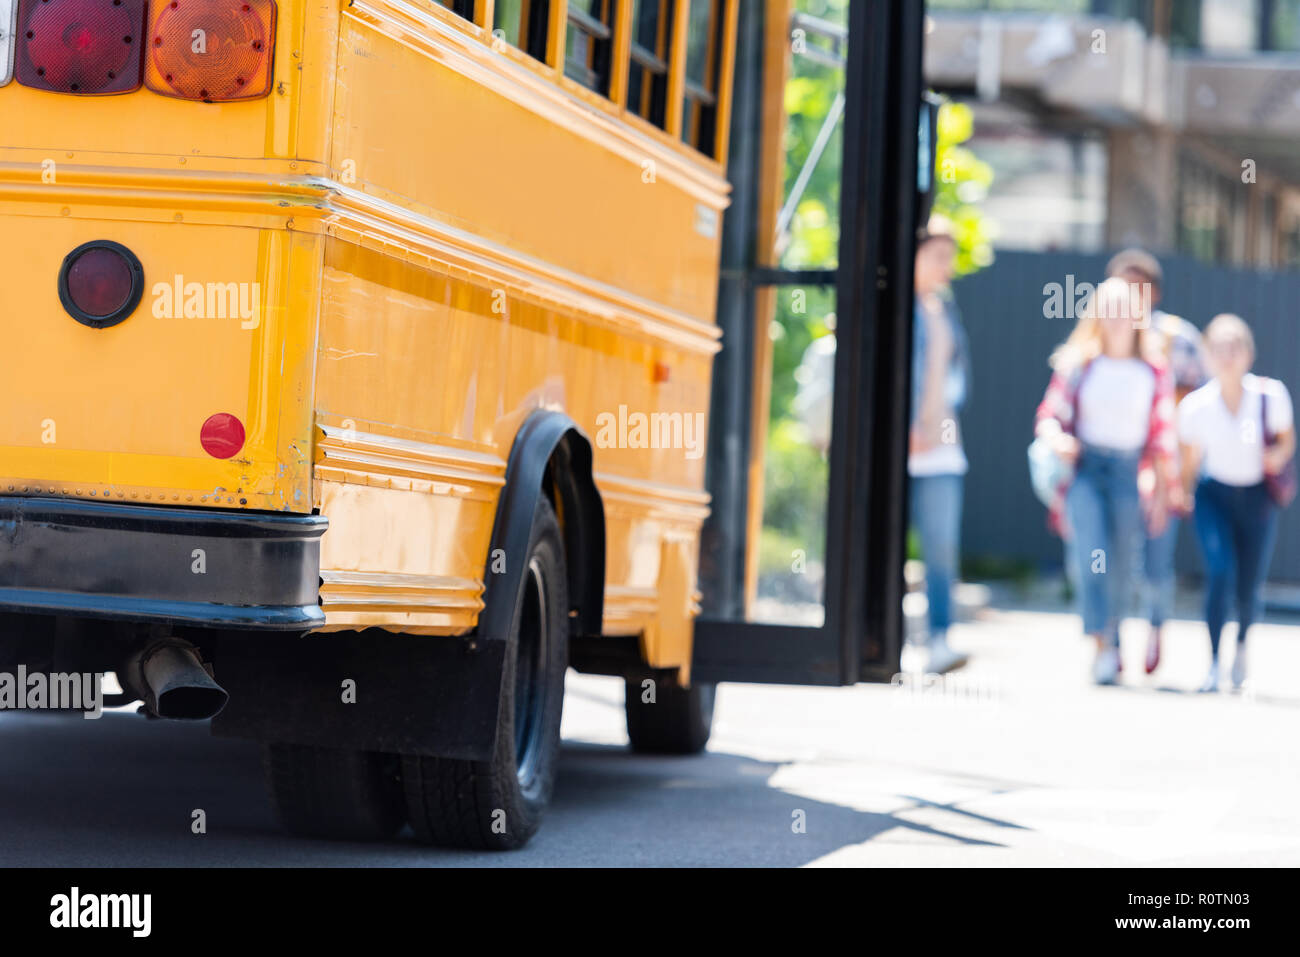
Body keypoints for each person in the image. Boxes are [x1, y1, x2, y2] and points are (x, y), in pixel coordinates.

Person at [1035, 277, 1178, 685]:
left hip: (1128, 474)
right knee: (1091, 559)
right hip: (1085, 470)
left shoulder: (1153, 370)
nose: (1116, 318)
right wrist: (1058, 438)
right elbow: (1048, 416)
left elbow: (1162, 437)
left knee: (1119, 566)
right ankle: (1099, 643)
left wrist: (1164, 489)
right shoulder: (1080, 364)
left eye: (1124, 309)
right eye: (1108, 308)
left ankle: (1113, 638)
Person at [1104, 249, 1209, 674]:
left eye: (1138, 287)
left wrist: (1182, 476)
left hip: (1160, 466)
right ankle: (1110, 642)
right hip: (1115, 462)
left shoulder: (1179, 338)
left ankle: (1154, 631)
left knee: (1156, 558)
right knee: (1112, 555)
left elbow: (1196, 413)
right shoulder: (1104, 335)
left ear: (1155, 293)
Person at [1178, 314, 1295, 692]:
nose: (1228, 355)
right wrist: (1179, 491)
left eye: (1235, 346)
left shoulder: (1270, 395)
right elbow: (1190, 459)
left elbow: (1285, 440)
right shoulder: (1197, 405)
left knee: (1249, 585)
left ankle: (1241, 647)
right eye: (1219, 347)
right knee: (1219, 572)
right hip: (1214, 496)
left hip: (1257, 498)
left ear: (1249, 353)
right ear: (1207, 355)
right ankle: (1213, 662)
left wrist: (1276, 457)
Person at [909, 216, 971, 674]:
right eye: (938, 257)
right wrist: (909, 424)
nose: (946, 269)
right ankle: (885, 639)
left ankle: (939, 639)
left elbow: (957, 376)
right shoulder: (900, 310)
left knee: (941, 548)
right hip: (904, 448)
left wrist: (937, 424)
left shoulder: (944, 309)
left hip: (942, 449)